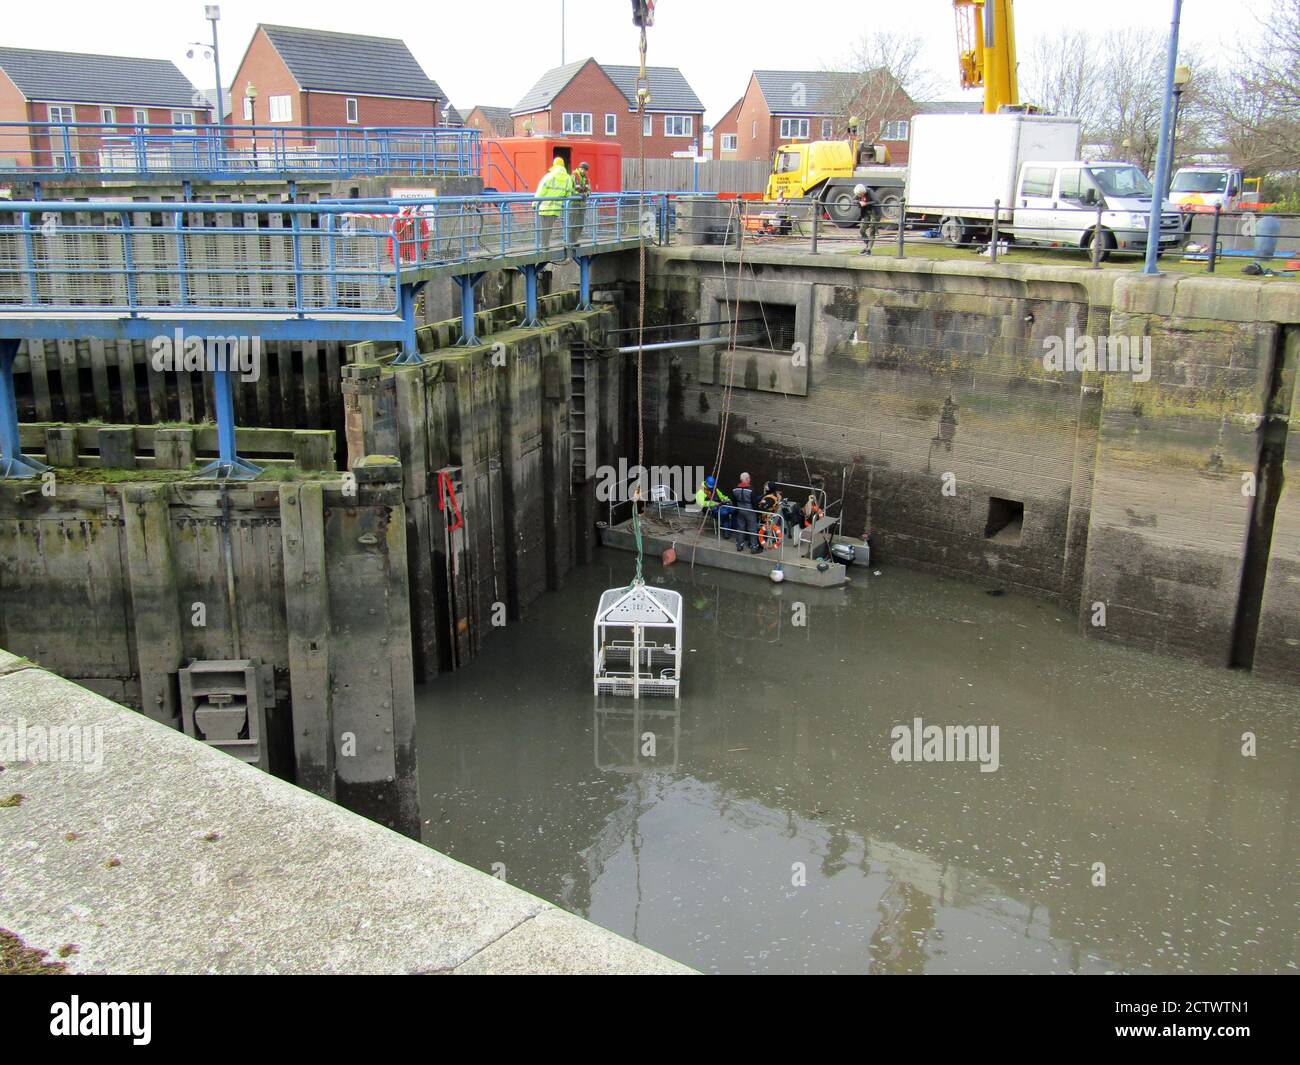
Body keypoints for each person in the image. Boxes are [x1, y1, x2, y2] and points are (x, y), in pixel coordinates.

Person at [535, 157, 574, 249]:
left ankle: (544, 246)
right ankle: (545, 245)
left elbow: (540, 191)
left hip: (544, 206)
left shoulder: (549, 176)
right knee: (548, 227)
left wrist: (534, 203)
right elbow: (568, 194)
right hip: (556, 208)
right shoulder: (568, 178)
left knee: (544, 227)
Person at [732, 472, 762, 553]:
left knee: (740, 528)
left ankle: (739, 546)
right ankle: (754, 547)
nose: (750, 479)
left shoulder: (734, 489)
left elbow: (733, 501)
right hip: (750, 511)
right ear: (747, 479)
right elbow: (754, 503)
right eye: (749, 478)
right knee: (752, 529)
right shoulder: (751, 489)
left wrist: (737, 508)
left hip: (740, 510)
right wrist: (758, 511)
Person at [854, 183, 881, 255]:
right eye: (859, 195)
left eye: (861, 195)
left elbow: (876, 201)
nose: (860, 196)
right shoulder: (859, 193)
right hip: (865, 213)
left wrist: (866, 203)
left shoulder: (870, 192)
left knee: (872, 230)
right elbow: (853, 200)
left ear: (863, 192)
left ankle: (868, 250)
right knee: (862, 230)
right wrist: (859, 202)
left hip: (874, 213)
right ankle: (867, 246)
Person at [571, 161, 592, 246]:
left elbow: (589, 190)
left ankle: (575, 240)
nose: (584, 171)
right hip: (574, 204)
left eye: (585, 170)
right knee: (573, 224)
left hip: (582, 205)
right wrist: (578, 194)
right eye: (582, 169)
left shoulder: (586, 179)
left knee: (580, 224)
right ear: (579, 168)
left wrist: (585, 194)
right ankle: (571, 242)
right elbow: (570, 189)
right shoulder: (573, 176)